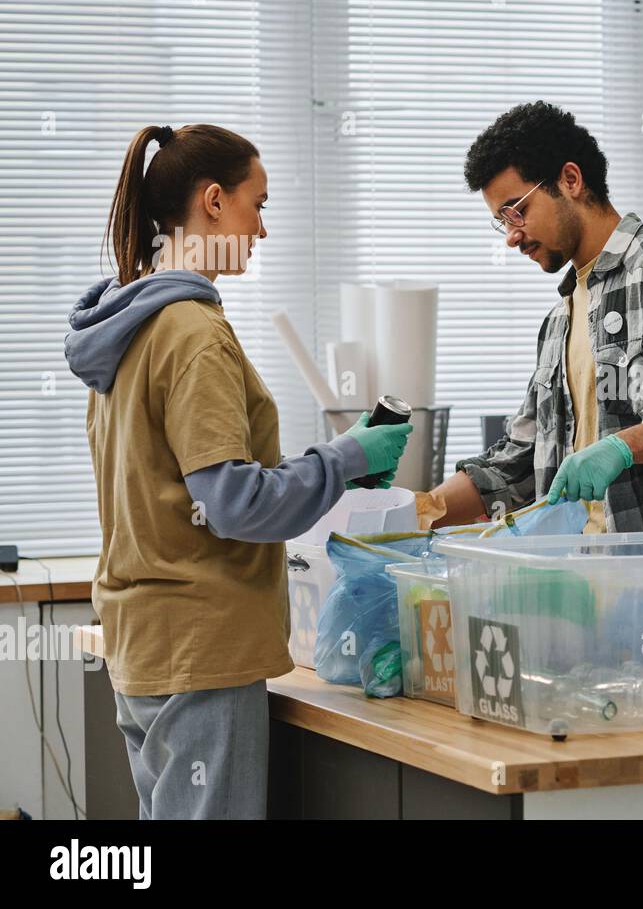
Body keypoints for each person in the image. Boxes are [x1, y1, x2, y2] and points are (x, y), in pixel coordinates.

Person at [65, 124, 412, 819]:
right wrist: (346, 457)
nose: (263, 227)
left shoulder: (128, 326)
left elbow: (187, 486)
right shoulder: (192, 332)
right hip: (201, 648)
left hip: (144, 641)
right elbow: (233, 504)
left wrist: (332, 472)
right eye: (258, 204)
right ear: (214, 201)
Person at [417, 102, 643, 594]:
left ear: (570, 179)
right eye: (500, 221)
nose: (511, 236)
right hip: (598, 592)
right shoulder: (559, 321)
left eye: (517, 210)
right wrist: (421, 511)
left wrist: (623, 447)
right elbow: (520, 459)